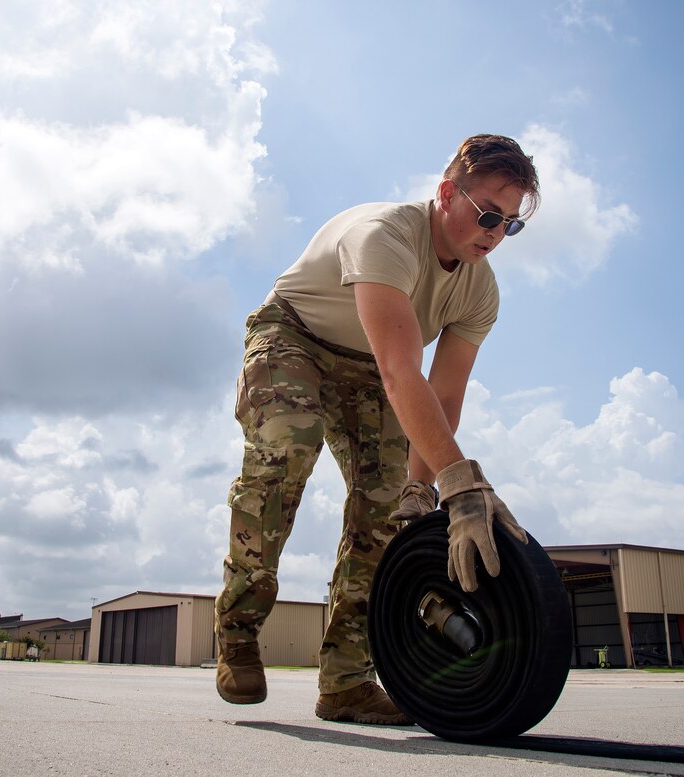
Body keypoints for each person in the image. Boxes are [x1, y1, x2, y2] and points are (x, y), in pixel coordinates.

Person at [214, 134, 540, 724]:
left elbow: (443, 394)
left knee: (389, 511)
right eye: (488, 214)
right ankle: (237, 629)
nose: (495, 233)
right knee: (288, 448)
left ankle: (345, 683)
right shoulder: (387, 236)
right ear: (447, 193)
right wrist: (461, 486)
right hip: (296, 337)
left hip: (371, 369)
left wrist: (422, 488)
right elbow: (401, 370)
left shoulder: (480, 290)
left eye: (510, 224)